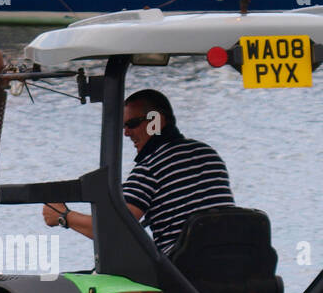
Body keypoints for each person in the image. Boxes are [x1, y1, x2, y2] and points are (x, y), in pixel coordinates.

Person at [42, 89, 233, 254]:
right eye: (123, 126)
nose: (126, 133)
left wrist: (63, 216)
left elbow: (114, 230)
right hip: (233, 264)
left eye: (132, 124)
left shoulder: (151, 166)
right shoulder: (207, 153)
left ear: (157, 121)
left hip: (184, 275)